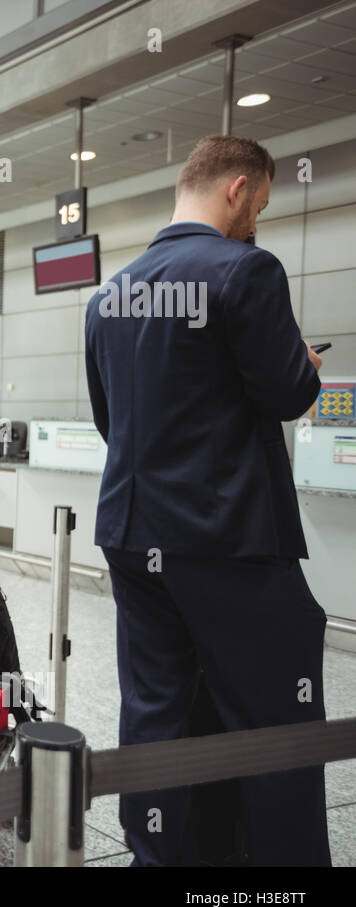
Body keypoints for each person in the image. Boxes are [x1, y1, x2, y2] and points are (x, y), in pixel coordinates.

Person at [84, 134, 329, 866]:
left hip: (132, 536)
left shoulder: (109, 295)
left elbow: (112, 422)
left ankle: (162, 859)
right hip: (229, 542)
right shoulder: (244, 270)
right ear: (237, 188)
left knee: (157, 711)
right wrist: (305, 364)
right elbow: (285, 392)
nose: (258, 217)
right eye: (260, 200)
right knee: (275, 722)